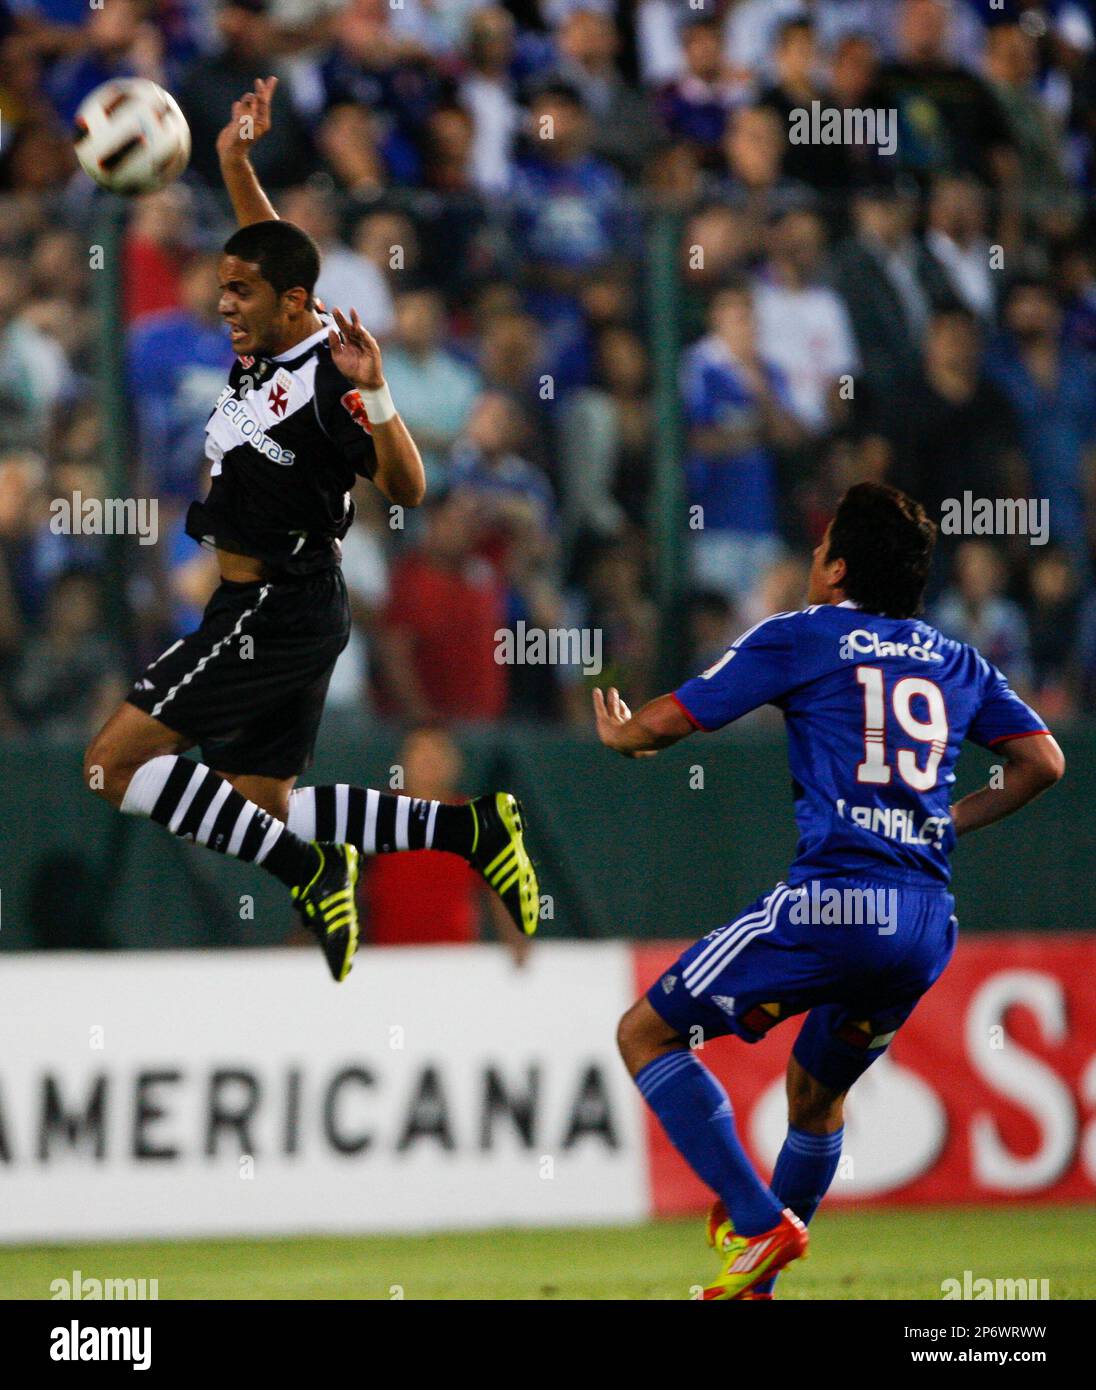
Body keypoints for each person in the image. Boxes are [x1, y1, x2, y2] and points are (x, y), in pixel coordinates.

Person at [83, 77, 539, 988]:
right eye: (222, 288)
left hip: (272, 605)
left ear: (292, 303)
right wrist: (232, 163)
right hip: (282, 603)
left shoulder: (334, 374)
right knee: (259, 804)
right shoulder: (279, 326)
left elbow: (408, 484)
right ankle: (471, 829)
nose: (224, 304)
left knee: (110, 767)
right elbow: (272, 255)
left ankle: (310, 870)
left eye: (239, 292)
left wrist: (376, 391)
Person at [593, 482, 1063, 1300]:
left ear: (838, 569)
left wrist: (624, 733)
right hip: (922, 923)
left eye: (818, 552)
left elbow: (672, 720)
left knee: (646, 1035)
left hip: (835, 906)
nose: (810, 563)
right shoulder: (957, 659)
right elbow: (1044, 762)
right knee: (814, 1098)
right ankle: (757, 1289)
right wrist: (948, 821)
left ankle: (755, 1218)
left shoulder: (804, 635)